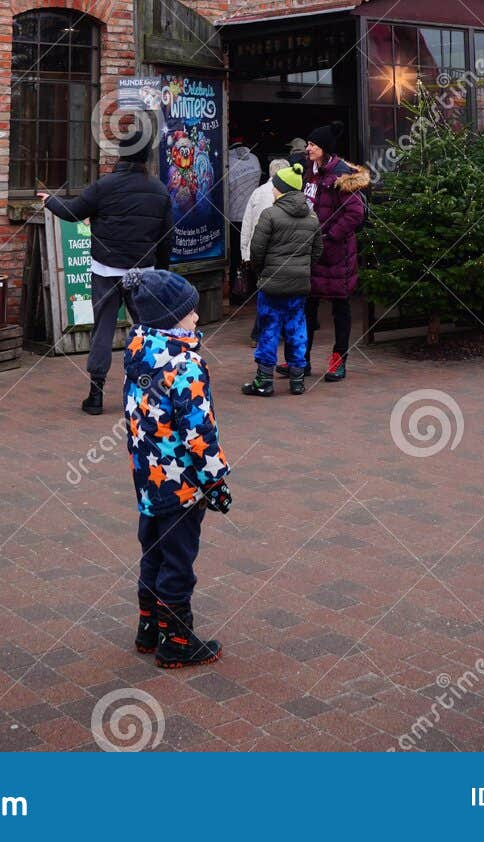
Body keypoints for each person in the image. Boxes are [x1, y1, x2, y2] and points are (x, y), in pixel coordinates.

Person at [122, 267, 231, 667]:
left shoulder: (138, 353)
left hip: (148, 479)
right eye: (190, 313)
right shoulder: (185, 363)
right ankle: (177, 640)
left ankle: (148, 626)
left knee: (152, 551)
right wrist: (215, 479)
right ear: (171, 320)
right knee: (178, 560)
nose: (197, 319)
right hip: (181, 482)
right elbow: (199, 432)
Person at [39, 129, 173, 415]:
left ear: (121, 155)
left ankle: (96, 394)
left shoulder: (105, 185)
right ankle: (153, 391)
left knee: (103, 328)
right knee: (147, 330)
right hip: (144, 271)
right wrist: (162, 271)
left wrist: (50, 200)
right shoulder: (159, 190)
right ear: (147, 156)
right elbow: (167, 237)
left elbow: (73, 212)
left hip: (105, 270)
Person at [242, 161, 322, 398]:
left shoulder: (270, 215)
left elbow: (257, 250)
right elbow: (317, 250)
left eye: (276, 186)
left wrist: (262, 270)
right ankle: (297, 380)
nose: (273, 190)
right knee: (297, 329)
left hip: (272, 285)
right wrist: (303, 269)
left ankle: (264, 381)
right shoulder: (312, 217)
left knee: (269, 329)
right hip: (299, 285)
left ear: (283, 189)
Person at [299, 122, 369, 383]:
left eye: (313, 145)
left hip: (336, 254)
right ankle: (301, 359)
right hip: (313, 253)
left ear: (324, 148)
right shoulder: (310, 173)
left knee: (340, 307)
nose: (308, 148)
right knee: (307, 306)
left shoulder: (341, 176)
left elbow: (355, 213)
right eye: (308, 144)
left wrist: (330, 237)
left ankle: (338, 360)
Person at [226, 136, 261, 293]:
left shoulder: (226, 160)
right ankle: (254, 287)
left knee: (235, 255)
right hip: (254, 214)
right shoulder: (254, 159)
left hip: (234, 215)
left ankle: (235, 290)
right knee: (254, 251)